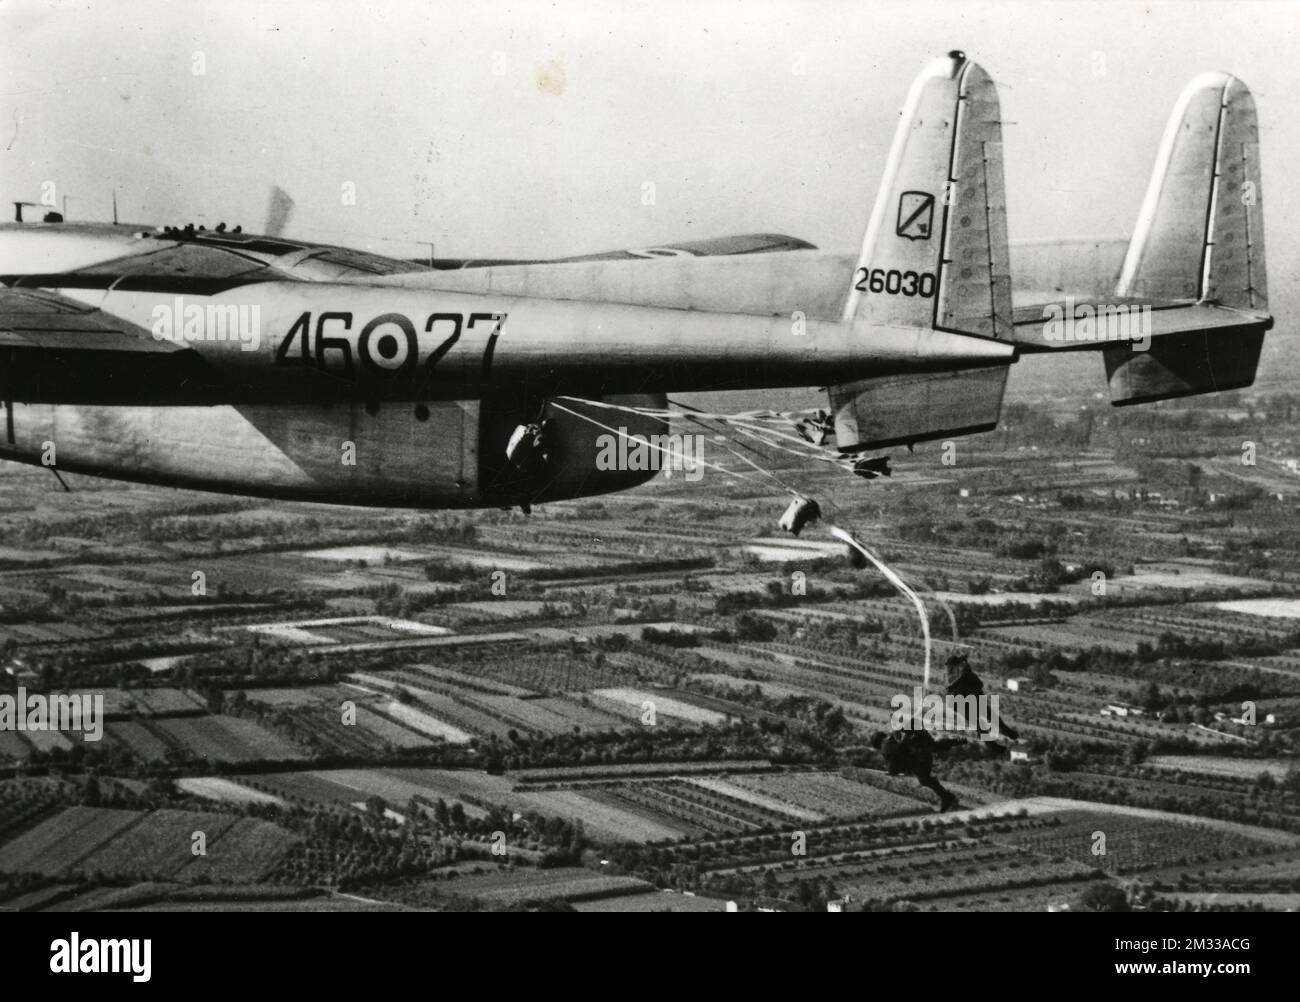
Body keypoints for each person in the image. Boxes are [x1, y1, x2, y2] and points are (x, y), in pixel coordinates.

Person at [870, 727, 958, 812]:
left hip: (918, 758)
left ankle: (948, 797)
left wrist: (892, 770)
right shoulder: (891, 739)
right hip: (919, 755)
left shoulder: (887, 745)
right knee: (925, 780)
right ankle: (948, 797)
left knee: (925, 779)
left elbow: (895, 759)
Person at [945, 652, 1019, 742]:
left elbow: (967, 677)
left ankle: (1000, 735)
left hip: (964, 701)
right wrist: (964, 666)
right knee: (986, 717)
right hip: (966, 701)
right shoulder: (956, 675)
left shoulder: (955, 673)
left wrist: (964, 664)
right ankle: (1004, 734)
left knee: (983, 718)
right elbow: (972, 682)